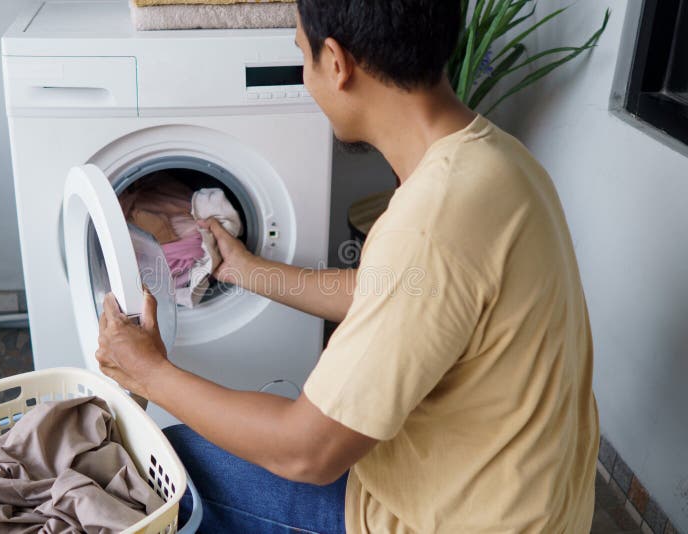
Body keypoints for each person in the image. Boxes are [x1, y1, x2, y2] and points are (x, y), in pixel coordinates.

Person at [95, 1, 600, 532]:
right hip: (531, 507)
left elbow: (306, 453)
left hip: (443, 521)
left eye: (302, 60)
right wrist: (247, 270)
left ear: (336, 63)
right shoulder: (498, 161)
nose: (307, 80)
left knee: (174, 463)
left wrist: (151, 372)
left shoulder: (429, 224)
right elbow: (394, 292)